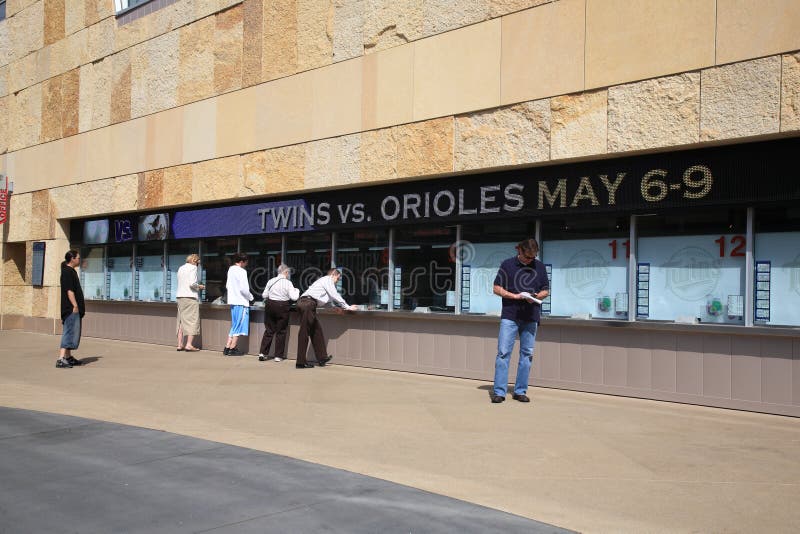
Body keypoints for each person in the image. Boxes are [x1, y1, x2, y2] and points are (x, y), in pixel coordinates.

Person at [490, 238, 549, 403]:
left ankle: (520, 391)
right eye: (527, 257)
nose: (531, 260)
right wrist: (514, 296)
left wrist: (536, 296)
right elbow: (496, 288)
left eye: (533, 257)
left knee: (527, 354)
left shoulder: (540, 267)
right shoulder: (507, 265)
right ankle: (499, 392)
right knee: (503, 353)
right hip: (510, 315)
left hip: (531, 316)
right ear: (519, 251)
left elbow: (546, 290)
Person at [296, 268, 357, 369]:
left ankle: (322, 358)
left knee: (316, 331)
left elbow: (325, 301)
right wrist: (348, 307)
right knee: (304, 332)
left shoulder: (324, 283)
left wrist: (334, 308)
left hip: (308, 304)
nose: (337, 281)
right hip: (307, 304)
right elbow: (334, 295)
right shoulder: (327, 280)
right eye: (338, 279)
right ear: (333, 275)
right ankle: (300, 362)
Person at [259, 264, 299, 362]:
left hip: (270, 305)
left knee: (269, 330)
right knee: (281, 331)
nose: (288, 275)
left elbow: (264, 295)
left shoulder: (271, 281)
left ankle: (263, 353)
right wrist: (297, 290)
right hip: (282, 306)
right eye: (288, 273)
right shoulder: (288, 283)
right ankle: (278, 356)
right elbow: (294, 297)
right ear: (285, 272)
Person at [57, 250, 85, 368]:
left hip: (72, 308)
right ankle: (61, 359)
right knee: (68, 332)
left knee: (72, 332)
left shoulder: (71, 271)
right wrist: (75, 305)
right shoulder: (67, 272)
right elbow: (69, 291)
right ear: (72, 259)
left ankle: (68, 357)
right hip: (70, 309)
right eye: (78, 258)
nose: (79, 260)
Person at [224, 253, 253, 356]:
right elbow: (244, 289)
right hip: (241, 301)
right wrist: (251, 297)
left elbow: (227, 286)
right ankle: (232, 348)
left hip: (233, 301)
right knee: (239, 325)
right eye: (246, 262)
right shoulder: (242, 271)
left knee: (234, 324)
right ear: (241, 262)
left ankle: (227, 347)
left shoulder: (230, 270)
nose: (246, 264)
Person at [176, 254, 205, 352]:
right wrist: (200, 287)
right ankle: (189, 345)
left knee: (181, 321)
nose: (197, 265)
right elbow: (192, 284)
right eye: (198, 263)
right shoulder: (193, 268)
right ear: (194, 261)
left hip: (180, 297)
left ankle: (180, 345)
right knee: (192, 321)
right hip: (190, 297)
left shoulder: (181, 268)